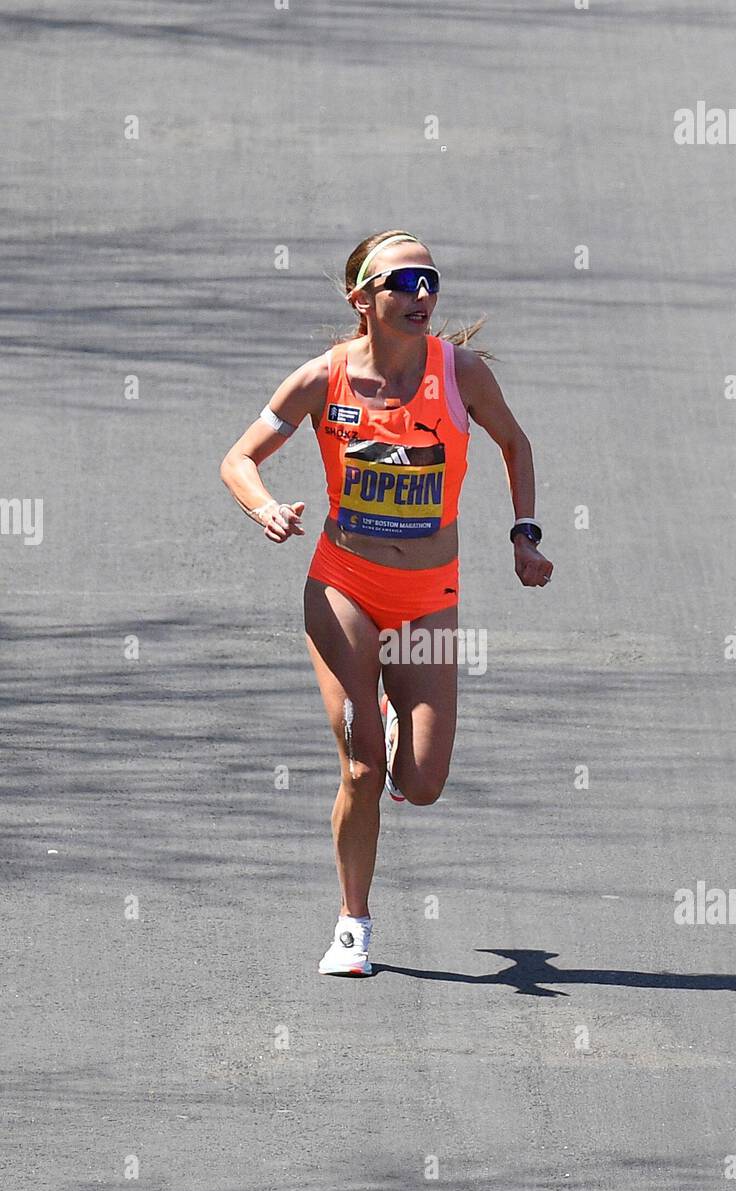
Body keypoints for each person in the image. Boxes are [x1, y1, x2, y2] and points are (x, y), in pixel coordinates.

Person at [220, 229, 553, 977]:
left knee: (421, 784)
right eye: (402, 283)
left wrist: (523, 535)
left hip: (428, 597)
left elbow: (515, 445)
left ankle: (398, 718)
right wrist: (264, 506)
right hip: (344, 586)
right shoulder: (320, 379)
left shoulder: (459, 374)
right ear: (361, 300)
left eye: (429, 281)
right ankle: (351, 925)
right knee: (363, 770)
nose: (421, 296)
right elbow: (238, 457)